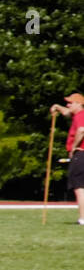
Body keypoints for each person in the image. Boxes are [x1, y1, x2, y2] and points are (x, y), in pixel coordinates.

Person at [52, 92, 84, 224]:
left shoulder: (81, 116)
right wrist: (57, 107)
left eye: (71, 103)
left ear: (79, 104)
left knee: (80, 186)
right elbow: (66, 112)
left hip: (81, 153)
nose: (68, 105)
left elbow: (82, 130)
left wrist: (73, 147)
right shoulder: (76, 115)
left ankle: (83, 218)